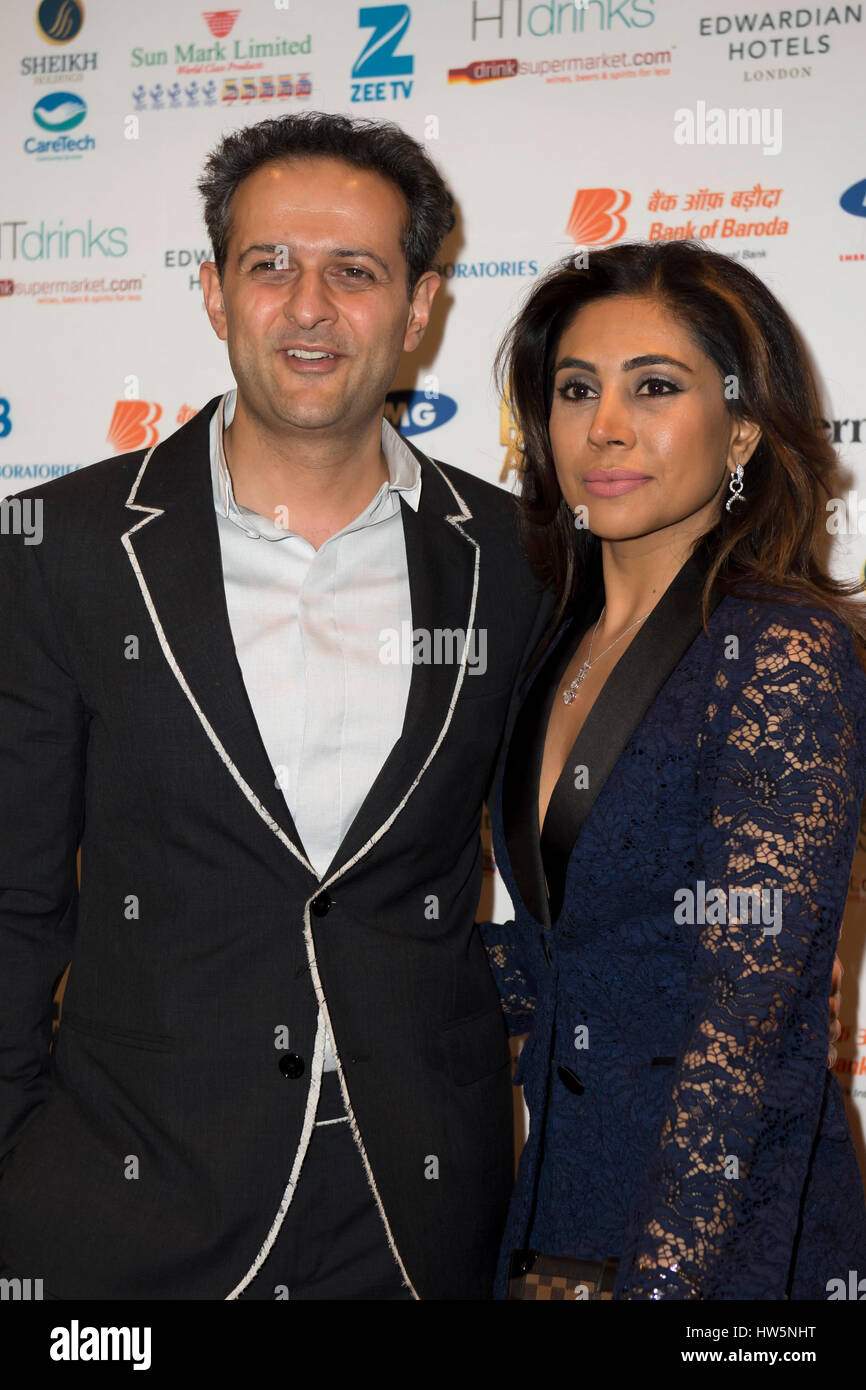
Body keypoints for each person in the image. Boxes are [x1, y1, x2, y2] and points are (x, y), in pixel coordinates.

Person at [0, 112, 554, 1300]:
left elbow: (564, 862)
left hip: (416, 1211)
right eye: (269, 265)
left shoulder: (516, 559)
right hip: (125, 1202)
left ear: (419, 307)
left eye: (353, 271)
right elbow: (10, 901)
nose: (308, 306)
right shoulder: (65, 549)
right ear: (212, 292)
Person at [481, 239, 866, 1300]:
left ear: (740, 427)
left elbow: (744, 1040)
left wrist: (659, 1286)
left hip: (720, 1244)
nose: (603, 425)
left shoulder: (780, 652)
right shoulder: (547, 648)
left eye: (653, 386)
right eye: (573, 389)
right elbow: (572, 956)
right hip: (549, 1215)